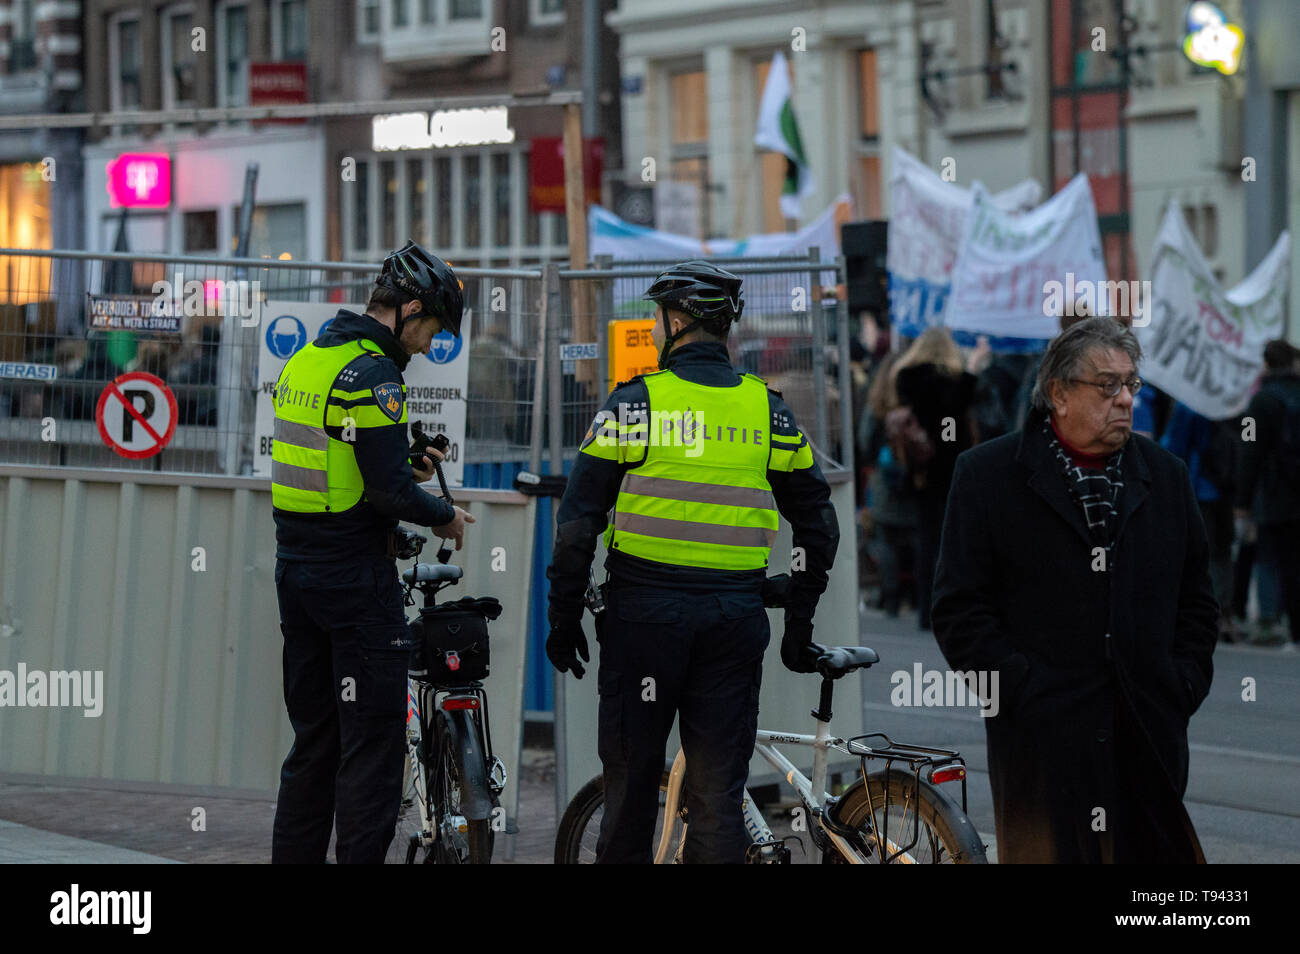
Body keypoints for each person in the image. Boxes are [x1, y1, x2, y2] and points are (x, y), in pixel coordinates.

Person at [544, 260, 839, 864]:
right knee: (716, 799)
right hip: (733, 623)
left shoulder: (634, 406)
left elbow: (577, 526)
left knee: (629, 793)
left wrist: (563, 615)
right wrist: (799, 626)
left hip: (643, 622)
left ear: (674, 320)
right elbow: (819, 527)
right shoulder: (769, 412)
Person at [932, 317, 1217, 863]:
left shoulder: (1166, 476)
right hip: (1042, 747)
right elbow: (958, 609)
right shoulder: (988, 476)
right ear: (1059, 393)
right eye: (1107, 386)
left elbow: (1198, 600)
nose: (1126, 400)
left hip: (1148, 741)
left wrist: (1181, 685)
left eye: (1132, 384)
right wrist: (1021, 687)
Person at [270, 240, 476, 863]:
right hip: (355, 584)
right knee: (374, 748)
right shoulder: (375, 374)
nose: (431, 343)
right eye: (433, 327)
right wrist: (445, 514)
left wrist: (408, 465)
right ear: (409, 308)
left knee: (315, 744)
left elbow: (346, 470)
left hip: (297, 573)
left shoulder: (309, 360)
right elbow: (386, 493)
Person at [890, 328, 979, 630]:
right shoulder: (959, 381)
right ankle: (950, 605)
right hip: (956, 466)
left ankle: (925, 608)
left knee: (926, 539)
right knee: (955, 538)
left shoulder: (906, 377)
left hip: (922, 468)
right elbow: (961, 410)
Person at [1234, 338, 1300, 648]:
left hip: (1273, 491)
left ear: (1267, 363)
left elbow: (1250, 450)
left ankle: (1269, 621)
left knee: (1269, 556)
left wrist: (1242, 500)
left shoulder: (1261, 401)